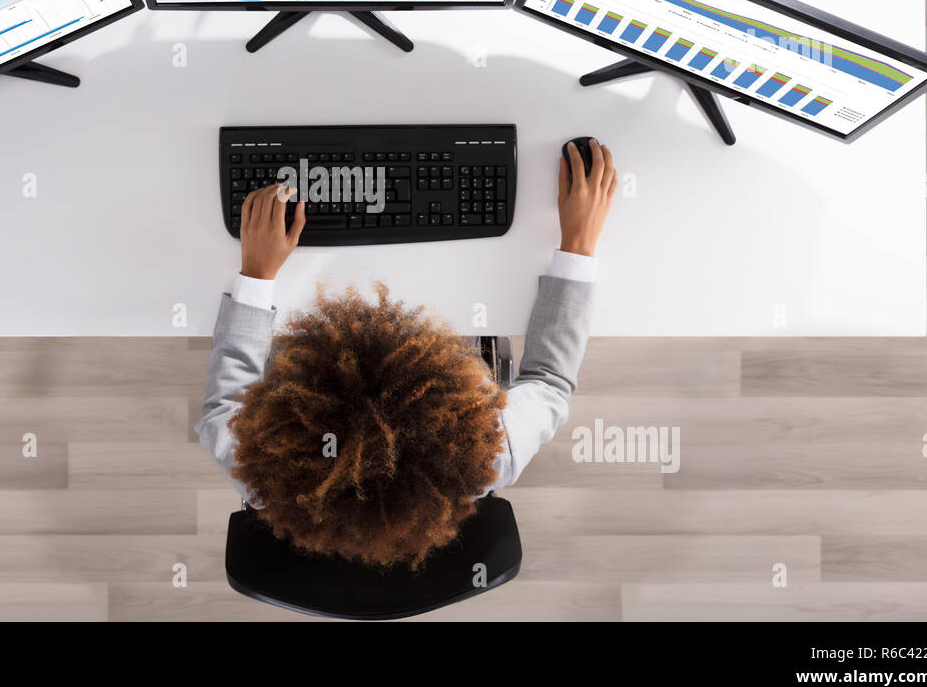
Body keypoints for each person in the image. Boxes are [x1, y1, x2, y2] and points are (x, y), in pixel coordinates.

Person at [197, 140, 618, 570]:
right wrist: (579, 244)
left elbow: (221, 408)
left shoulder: (264, 466)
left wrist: (256, 272)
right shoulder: (488, 451)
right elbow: (548, 382)